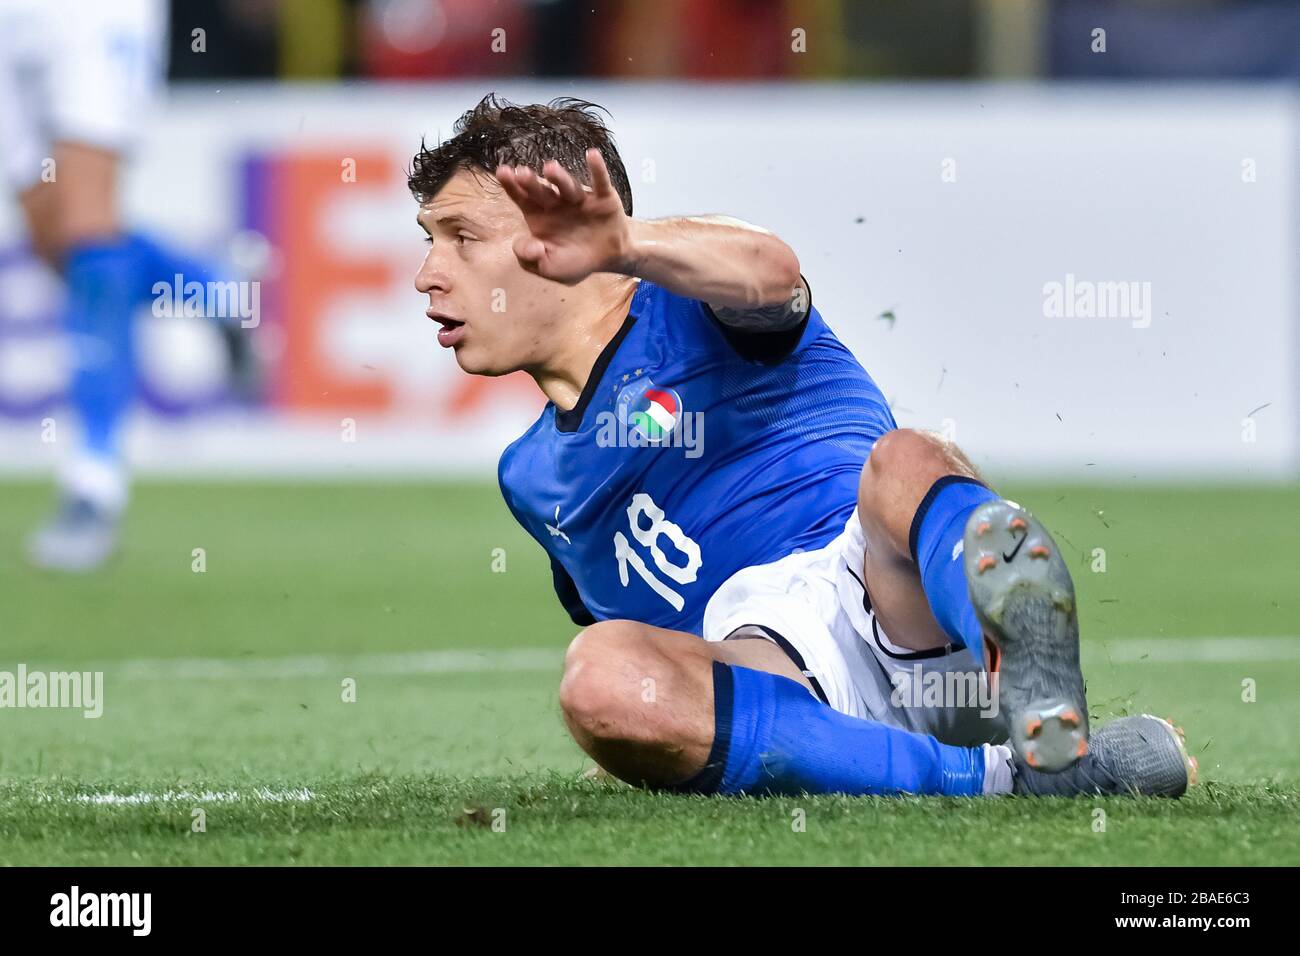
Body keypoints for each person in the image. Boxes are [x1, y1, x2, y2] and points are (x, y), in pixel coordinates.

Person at [408, 95, 1195, 798]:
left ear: (554, 231)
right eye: (428, 240)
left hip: (895, 589)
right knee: (598, 673)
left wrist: (625, 244)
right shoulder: (531, 478)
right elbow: (648, 646)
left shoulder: (689, 303)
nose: (426, 275)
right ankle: (1023, 777)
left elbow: (773, 270)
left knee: (906, 460)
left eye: (462, 238)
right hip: (786, 672)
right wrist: (651, 720)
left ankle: (1025, 673)